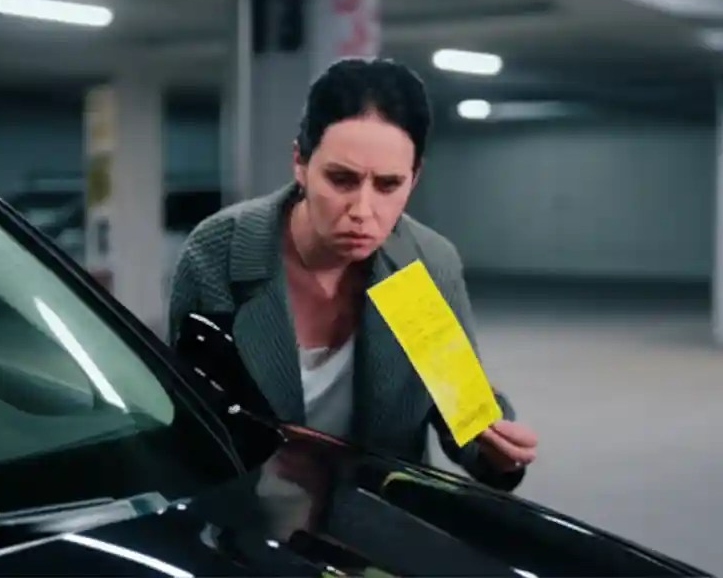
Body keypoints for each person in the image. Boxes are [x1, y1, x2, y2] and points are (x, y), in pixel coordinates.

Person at [167, 57, 537, 490]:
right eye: (341, 179)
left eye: (387, 185)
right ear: (300, 164)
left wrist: (498, 452)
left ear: (413, 179)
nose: (363, 212)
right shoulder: (221, 252)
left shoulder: (424, 265)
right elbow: (193, 424)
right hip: (247, 511)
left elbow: (461, 412)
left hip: (375, 517)